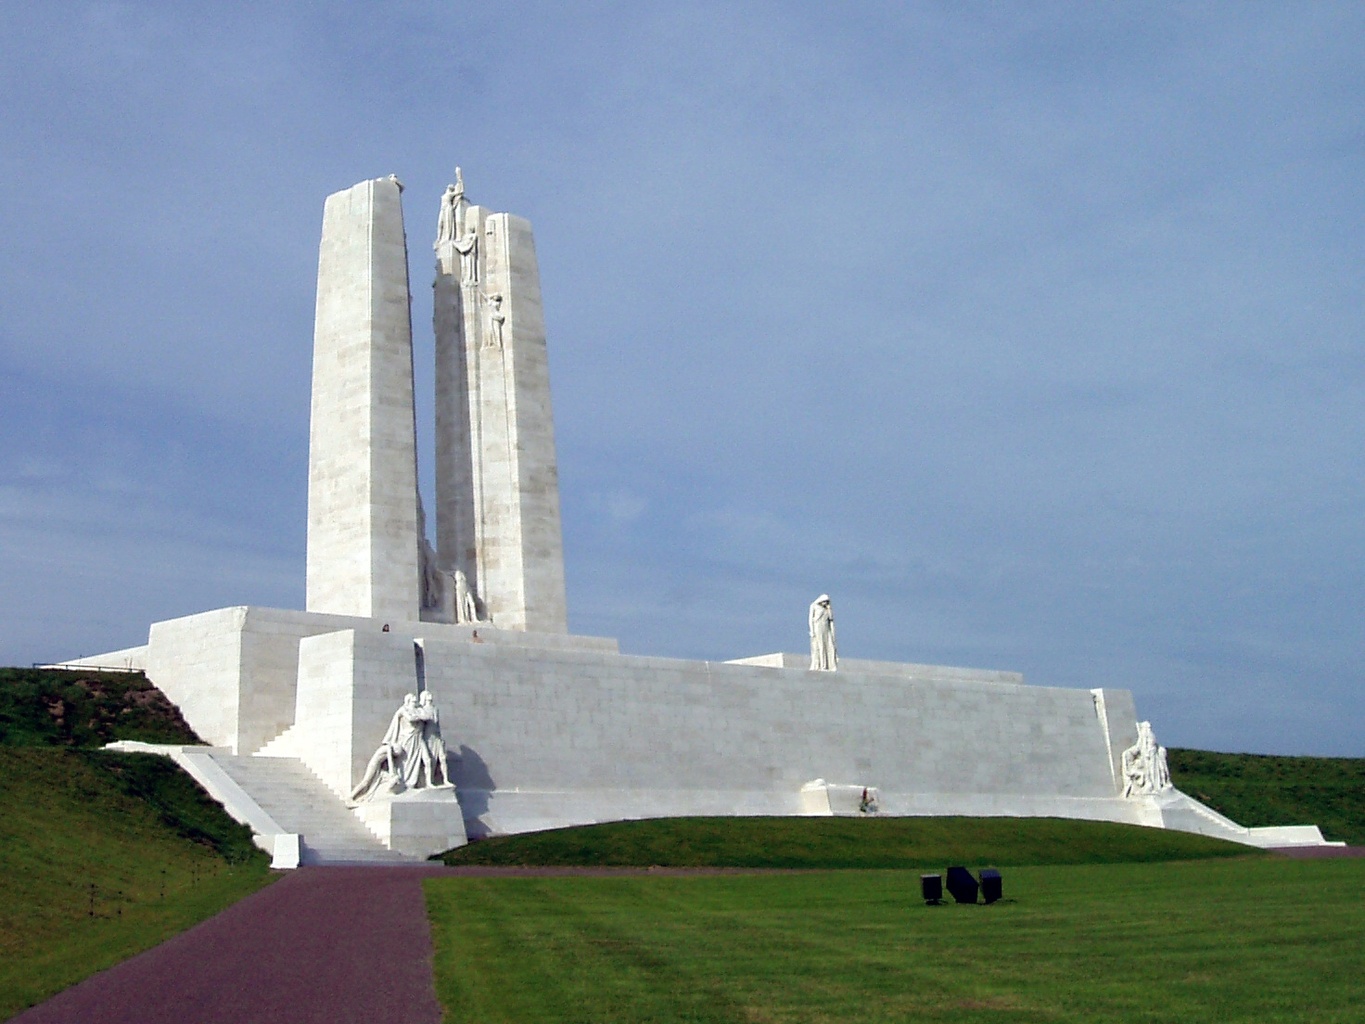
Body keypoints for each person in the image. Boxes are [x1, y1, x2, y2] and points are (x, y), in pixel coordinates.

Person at [419, 690, 452, 787]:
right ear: (424, 697)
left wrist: (440, 738)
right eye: (428, 694)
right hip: (428, 738)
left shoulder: (435, 709)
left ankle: (446, 779)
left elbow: (437, 724)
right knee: (430, 760)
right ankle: (429, 781)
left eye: (430, 694)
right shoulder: (422, 709)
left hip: (437, 737)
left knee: (443, 758)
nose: (430, 696)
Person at [809, 594, 837, 671]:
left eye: (827, 602)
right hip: (818, 627)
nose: (825, 603)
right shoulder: (814, 606)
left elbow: (831, 619)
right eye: (824, 601)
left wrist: (829, 610)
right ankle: (822, 665)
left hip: (826, 628)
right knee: (820, 646)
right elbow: (811, 619)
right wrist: (812, 631)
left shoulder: (827, 609)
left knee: (828, 645)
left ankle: (829, 664)